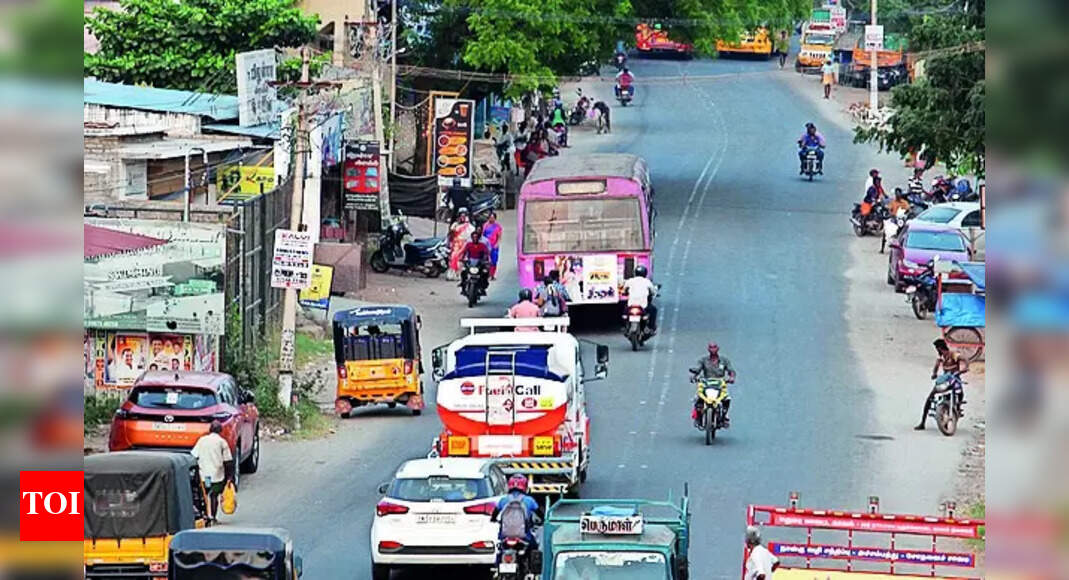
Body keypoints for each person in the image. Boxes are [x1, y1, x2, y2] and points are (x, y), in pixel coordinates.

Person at [915, 339, 969, 430]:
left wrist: (964, 368)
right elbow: (936, 366)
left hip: (954, 379)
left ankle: (958, 408)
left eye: (937, 349)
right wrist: (934, 373)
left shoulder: (953, 354)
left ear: (940, 348)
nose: (937, 351)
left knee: (960, 393)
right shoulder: (941, 358)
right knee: (930, 398)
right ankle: (922, 423)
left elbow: (965, 359)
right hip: (945, 380)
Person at [190, 421, 233, 523]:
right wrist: (230, 477)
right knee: (214, 496)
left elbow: (194, 455)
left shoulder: (202, 440)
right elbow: (228, 461)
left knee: (205, 495)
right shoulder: (222, 442)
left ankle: (205, 516)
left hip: (204, 475)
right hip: (217, 476)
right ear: (220, 431)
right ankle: (213, 517)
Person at [491, 474, 544, 549]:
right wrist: (542, 521)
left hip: (504, 536)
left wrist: (494, 520)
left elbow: (494, 515)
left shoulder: (503, 500)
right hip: (525, 536)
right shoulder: (529, 500)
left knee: (500, 551)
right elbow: (540, 514)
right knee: (534, 547)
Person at [691, 342, 736, 427]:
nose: (713, 349)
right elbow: (697, 369)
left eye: (714, 347)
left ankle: (724, 416)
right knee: (698, 399)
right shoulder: (703, 360)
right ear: (708, 349)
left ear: (718, 348)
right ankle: (698, 418)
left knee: (726, 399)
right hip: (706, 383)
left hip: (719, 384)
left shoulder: (724, 360)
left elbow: (731, 371)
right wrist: (694, 376)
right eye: (711, 347)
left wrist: (731, 378)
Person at [621, 265, 657, 332]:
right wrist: (653, 294)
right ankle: (651, 327)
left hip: (631, 304)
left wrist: (625, 293)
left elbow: (624, 290)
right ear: (645, 273)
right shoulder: (647, 282)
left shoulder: (630, 281)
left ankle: (623, 326)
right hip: (643, 305)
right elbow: (653, 291)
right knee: (653, 310)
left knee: (624, 311)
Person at [448, 210, 475, 281]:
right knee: (453, 257)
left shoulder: (469, 227)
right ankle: (452, 274)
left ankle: (459, 275)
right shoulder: (455, 225)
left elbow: (471, 237)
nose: (462, 218)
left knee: (461, 260)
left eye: (464, 216)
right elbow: (451, 235)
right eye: (461, 216)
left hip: (464, 245)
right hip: (455, 244)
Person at [482, 212, 503, 279]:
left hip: (494, 246)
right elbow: (483, 235)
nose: (491, 219)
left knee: (494, 261)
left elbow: (499, 237)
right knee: (486, 260)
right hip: (486, 245)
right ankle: (487, 274)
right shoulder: (485, 226)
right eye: (490, 218)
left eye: (493, 218)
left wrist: (497, 244)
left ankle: (492, 274)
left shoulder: (498, 226)